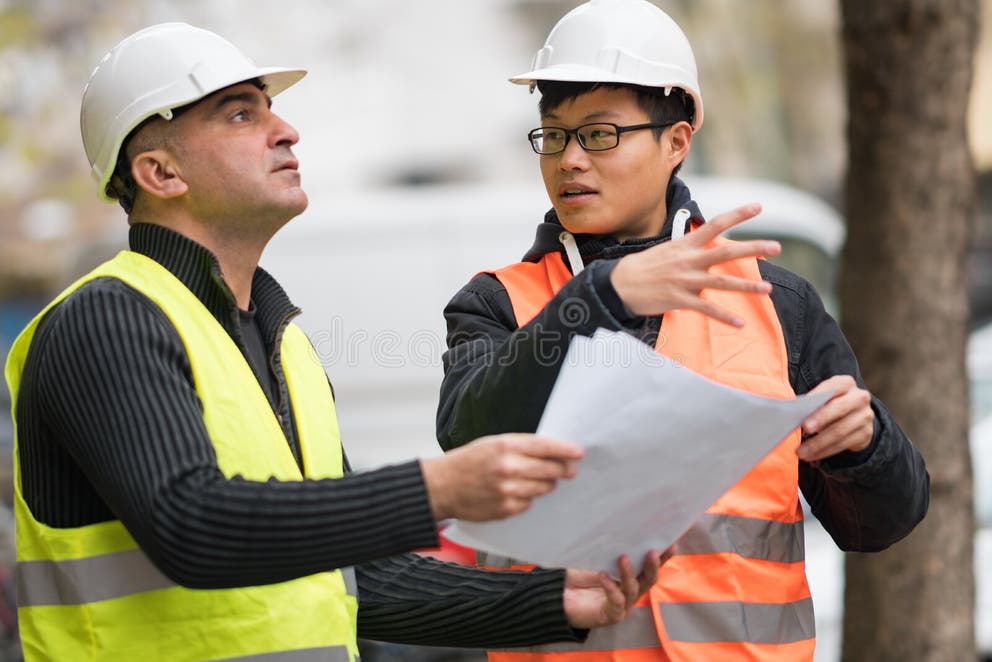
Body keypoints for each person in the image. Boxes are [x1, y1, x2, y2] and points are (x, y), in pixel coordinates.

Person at [3, 22, 664, 662]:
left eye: (270, 110)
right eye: (240, 115)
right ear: (161, 172)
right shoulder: (104, 322)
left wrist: (550, 601)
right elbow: (194, 526)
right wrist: (436, 489)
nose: (286, 130)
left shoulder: (281, 340)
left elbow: (355, 579)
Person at [436, 1, 930, 660]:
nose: (570, 159)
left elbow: (882, 522)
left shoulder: (777, 302)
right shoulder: (497, 302)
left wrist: (864, 446)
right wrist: (595, 300)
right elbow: (468, 435)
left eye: (600, 134)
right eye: (553, 135)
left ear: (677, 140)